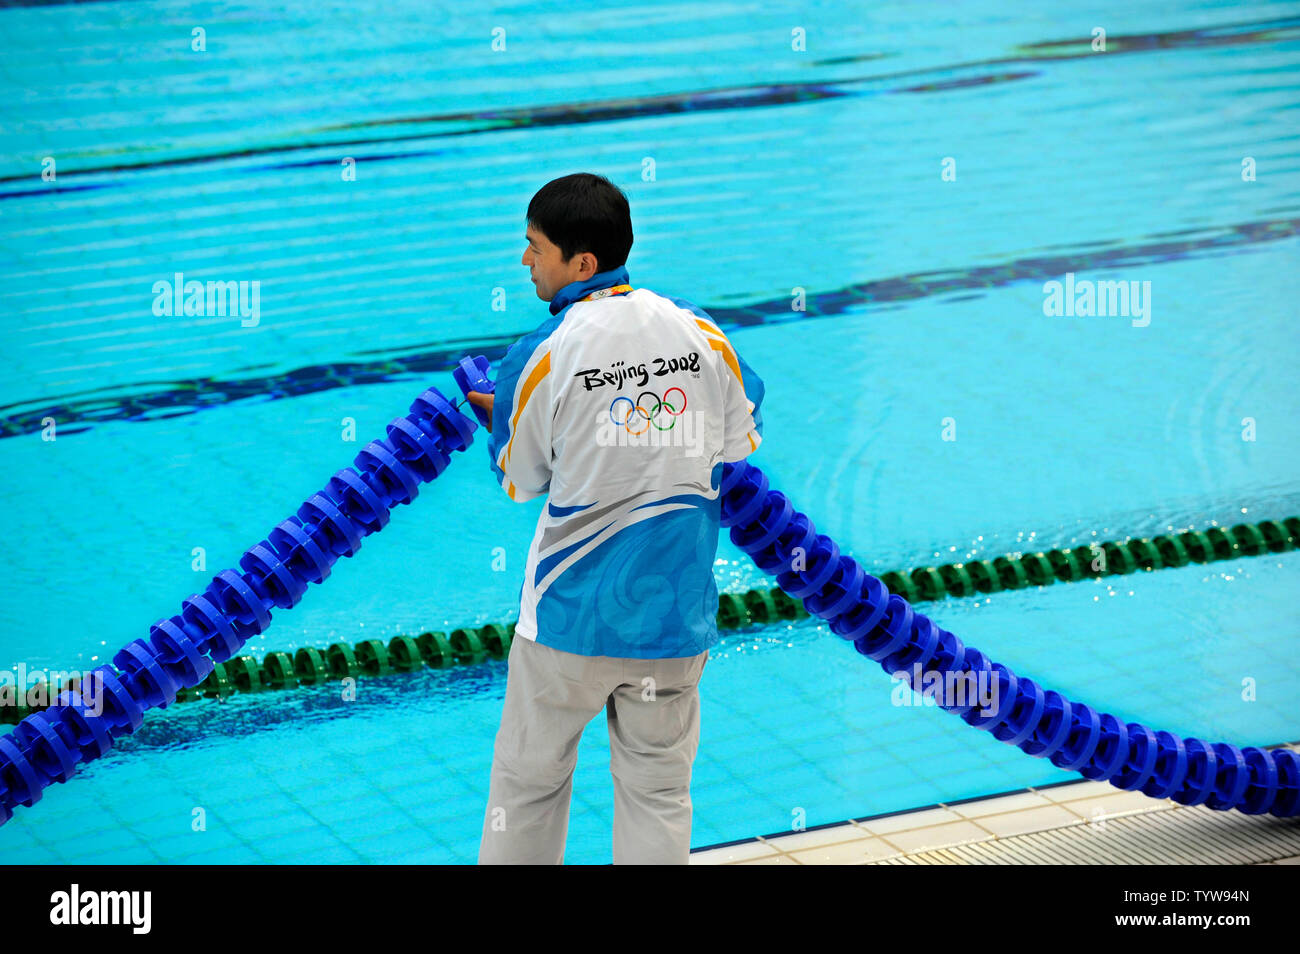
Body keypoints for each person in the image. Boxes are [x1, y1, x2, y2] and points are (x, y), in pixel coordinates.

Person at [468, 172, 764, 865]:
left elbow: (521, 479)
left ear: (582, 264)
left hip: (568, 626)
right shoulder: (699, 332)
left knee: (528, 790)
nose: (524, 260)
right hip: (672, 626)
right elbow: (740, 438)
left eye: (534, 247)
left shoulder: (543, 354)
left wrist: (497, 419)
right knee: (658, 796)